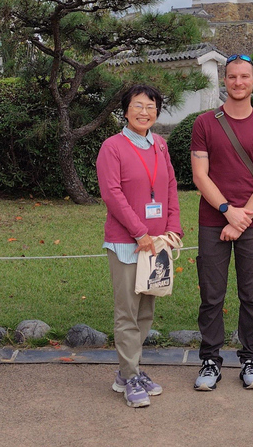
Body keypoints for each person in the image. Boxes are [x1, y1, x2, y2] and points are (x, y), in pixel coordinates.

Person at [96, 84, 183, 408]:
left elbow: (170, 185)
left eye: (151, 106)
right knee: (128, 313)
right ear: (125, 110)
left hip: (157, 243)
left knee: (146, 310)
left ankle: (127, 372)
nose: (144, 112)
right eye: (138, 106)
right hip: (127, 244)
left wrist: (173, 227)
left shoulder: (160, 144)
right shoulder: (112, 147)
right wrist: (139, 233)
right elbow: (112, 194)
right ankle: (130, 375)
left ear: (157, 112)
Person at [191, 53, 253, 391]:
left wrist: (241, 219)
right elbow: (200, 175)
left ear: (252, 81)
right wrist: (228, 211)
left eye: (244, 76)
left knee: (251, 293)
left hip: (250, 220)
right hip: (213, 220)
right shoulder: (205, 123)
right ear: (224, 80)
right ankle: (210, 360)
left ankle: (250, 358)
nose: (238, 82)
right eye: (232, 76)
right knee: (212, 295)